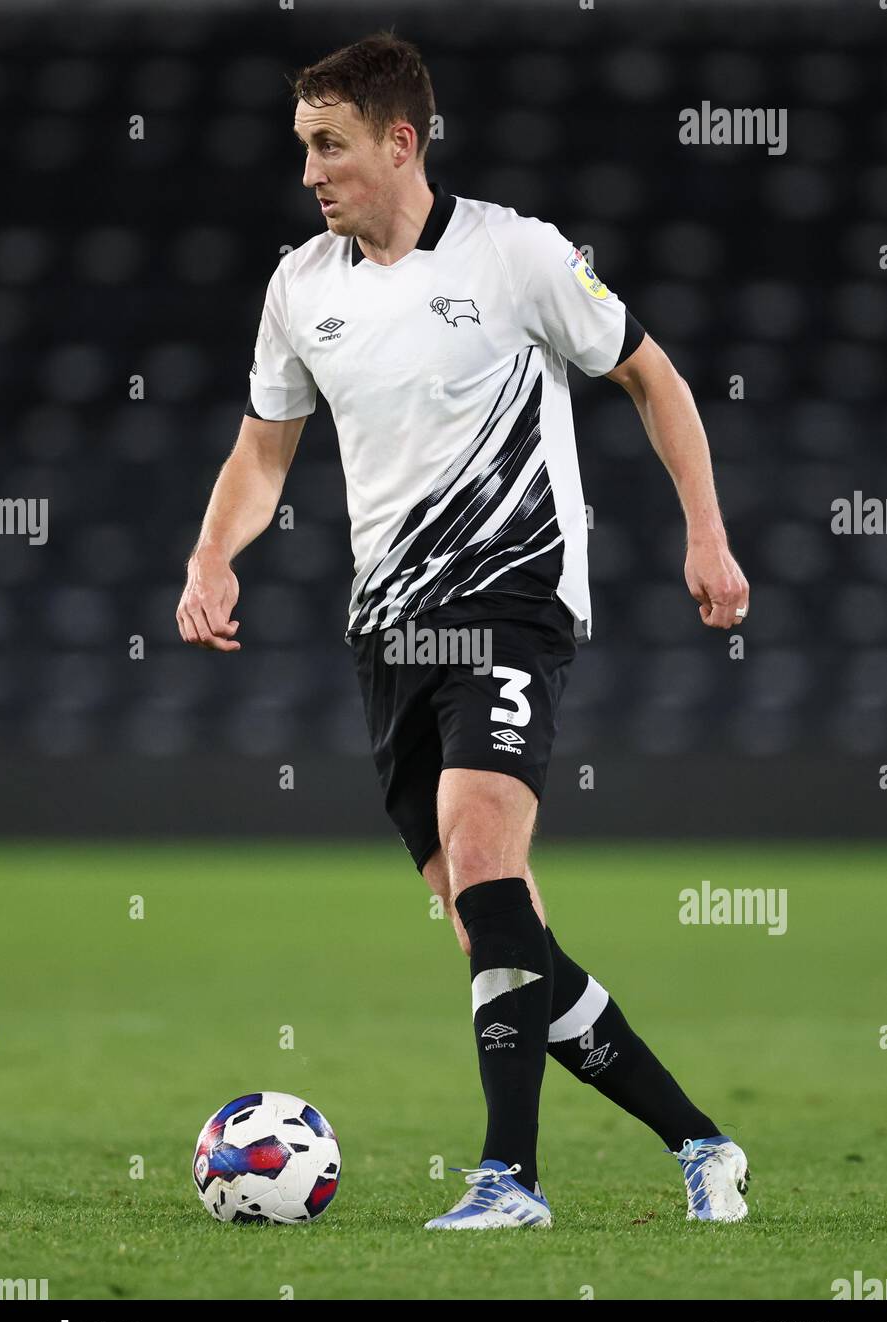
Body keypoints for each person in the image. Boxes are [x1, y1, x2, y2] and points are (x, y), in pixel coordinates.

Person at [177, 31, 751, 1229]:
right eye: (301, 148)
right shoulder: (302, 289)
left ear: (402, 141)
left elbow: (655, 376)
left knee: (488, 868)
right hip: (385, 633)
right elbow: (262, 449)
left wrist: (707, 532)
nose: (309, 173)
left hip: (510, 603)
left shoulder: (516, 254)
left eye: (328, 147)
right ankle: (702, 1140)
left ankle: (511, 1178)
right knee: (501, 929)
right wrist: (212, 554)